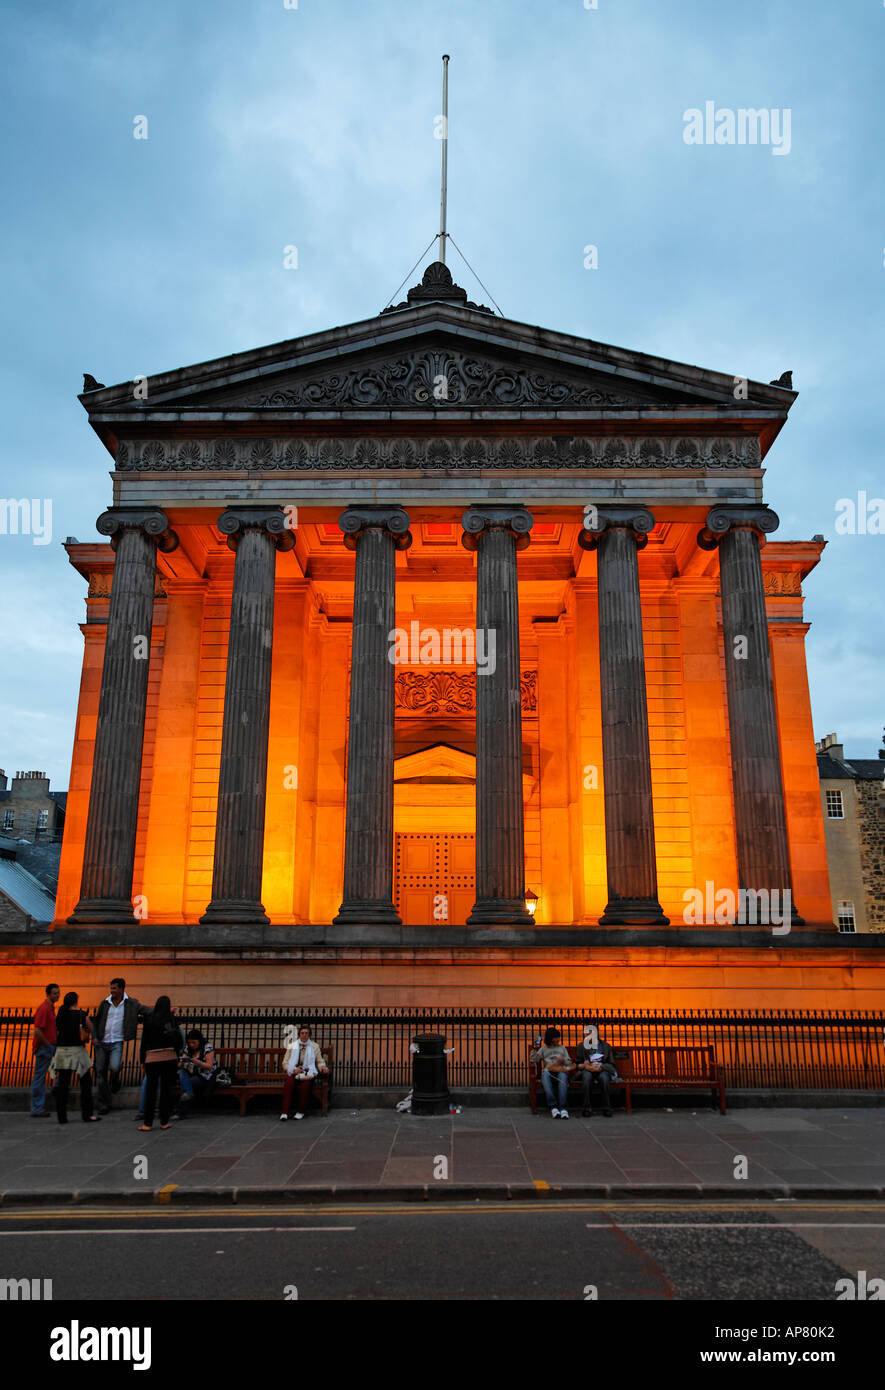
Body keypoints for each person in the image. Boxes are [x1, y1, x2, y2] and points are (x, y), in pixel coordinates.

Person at [92, 978, 145, 1114]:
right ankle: (103, 1103)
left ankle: (115, 1079)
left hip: (117, 1041)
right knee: (101, 1073)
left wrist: (165, 1011)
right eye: (111, 988)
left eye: (114, 988)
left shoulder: (132, 1004)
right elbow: (97, 1021)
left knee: (115, 1067)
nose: (112, 991)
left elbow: (146, 1010)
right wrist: (95, 1037)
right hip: (102, 1041)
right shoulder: (105, 1003)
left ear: (121, 989)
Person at [49, 992, 100, 1124]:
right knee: (85, 1084)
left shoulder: (60, 1016)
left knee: (63, 1085)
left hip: (62, 1052)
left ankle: (62, 1116)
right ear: (76, 1001)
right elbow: (91, 1028)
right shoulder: (81, 1015)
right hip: (77, 1052)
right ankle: (87, 1114)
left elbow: (57, 1032)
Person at [138, 996, 184, 1131]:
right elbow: (179, 1041)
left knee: (151, 1091)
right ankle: (164, 1121)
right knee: (166, 1091)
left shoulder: (149, 1020)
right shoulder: (171, 1020)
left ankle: (147, 1123)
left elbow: (144, 1042)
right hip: (169, 1058)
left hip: (152, 1058)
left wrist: (142, 1060)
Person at [280, 1023, 329, 1121]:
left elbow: (319, 1061)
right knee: (288, 1084)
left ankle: (300, 1111)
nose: (304, 1035)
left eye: (306, 1033)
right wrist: (293, 1069)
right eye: (302, 1033)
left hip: (307, 1074)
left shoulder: (314, 1046)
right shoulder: (292, 1046)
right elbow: (285, 1063)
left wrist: (323, 1067)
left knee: (305, 1086)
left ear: (309, 1035)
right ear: (299, 1034)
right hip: (294, 1072)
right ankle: (285, 1112)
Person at [575, 1021, 619, 1117]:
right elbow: (577, 1063)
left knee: (604, 1078)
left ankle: (606, 1108)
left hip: (602, 1070)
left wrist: (602, 1067)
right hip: (588, 1070)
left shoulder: (606, 1046)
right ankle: (587, 1108)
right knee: (586, 1077)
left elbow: (612, 1065)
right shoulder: (582, 1046)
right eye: (587, 1033)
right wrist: (584, 1065)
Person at [530, 1026, 575, 1119]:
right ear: (551, 1038)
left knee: (563, 1078)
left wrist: (562, 1060)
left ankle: (563, 1108)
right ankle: (553, 1106)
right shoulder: (543, 1049)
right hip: (549, 1070)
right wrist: (534, 1048)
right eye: (556, 1037)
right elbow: (535, 1059)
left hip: (560, 1070)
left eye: (558, 1037)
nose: (558, 1039)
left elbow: (569, 1062)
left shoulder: (562, 1048)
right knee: (545, 1077)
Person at [30, 983, 60, 1117]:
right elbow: (37, 1030)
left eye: (58, 992)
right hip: (45, 1047)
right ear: (48, 994)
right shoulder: (44, 1009)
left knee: (57, 1071)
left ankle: (55, 1092)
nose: (57, 995)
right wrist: (48, 1045)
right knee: (39, 1078)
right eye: (55, 993)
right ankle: (37, 1108)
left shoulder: (50, 1008)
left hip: (49, 1046)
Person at [175, 1029, 217, 1118]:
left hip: (205, 1076)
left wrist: (197, 1062)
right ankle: (189, 1094)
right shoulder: (188, 1048)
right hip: (191, 1073)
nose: (191, 1045)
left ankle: (181, 1112)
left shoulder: (207, 1047)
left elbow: (209, 1066)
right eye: (190, 1042)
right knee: (183, 1072)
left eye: (194, 1042)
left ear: (199, 1040)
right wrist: (182, 1061)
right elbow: (179, 1065)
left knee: (185, 1084)